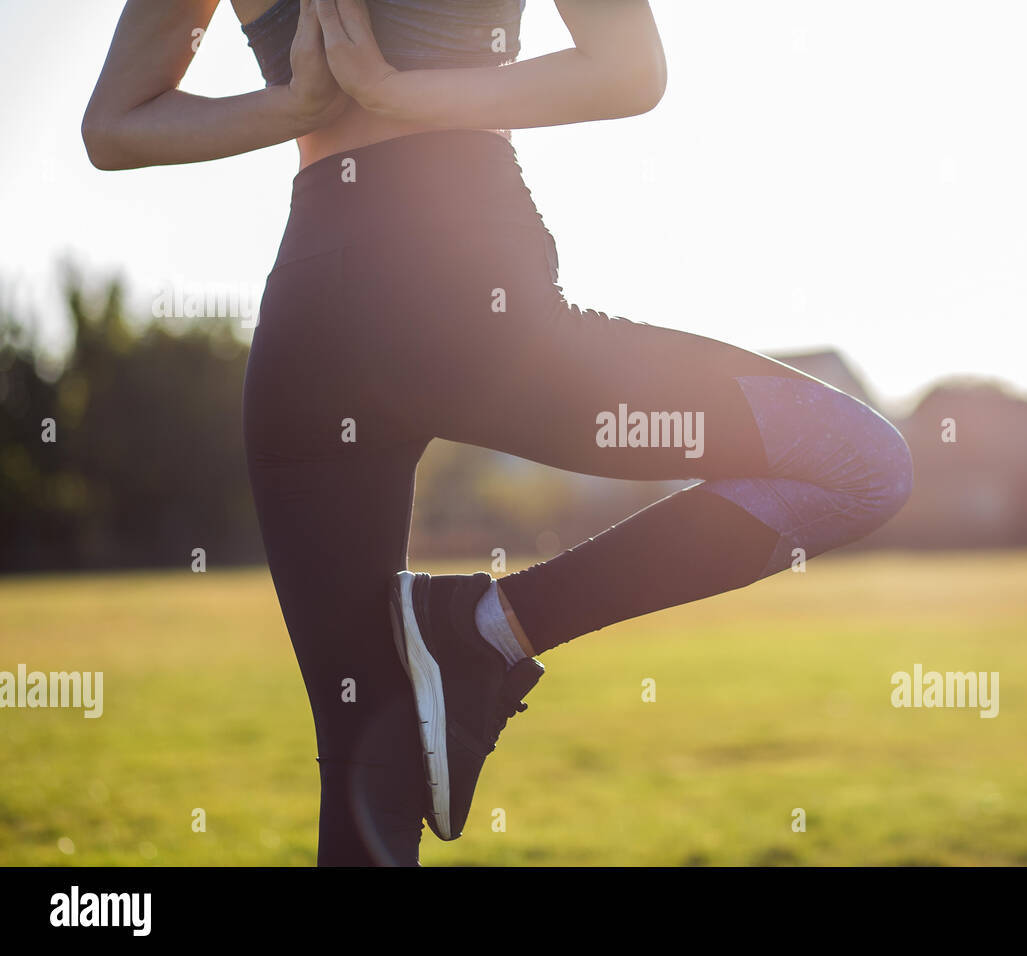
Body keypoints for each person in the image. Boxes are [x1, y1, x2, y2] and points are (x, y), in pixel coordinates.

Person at [83, 0, 913, 866]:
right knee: (862, 466)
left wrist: (298, 106)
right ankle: (485, 626)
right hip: (481, 314)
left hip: (311, 324)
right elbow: (631, 70)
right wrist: (404, 94)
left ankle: (474, 633)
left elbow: (114, 125)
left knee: (369, 761)